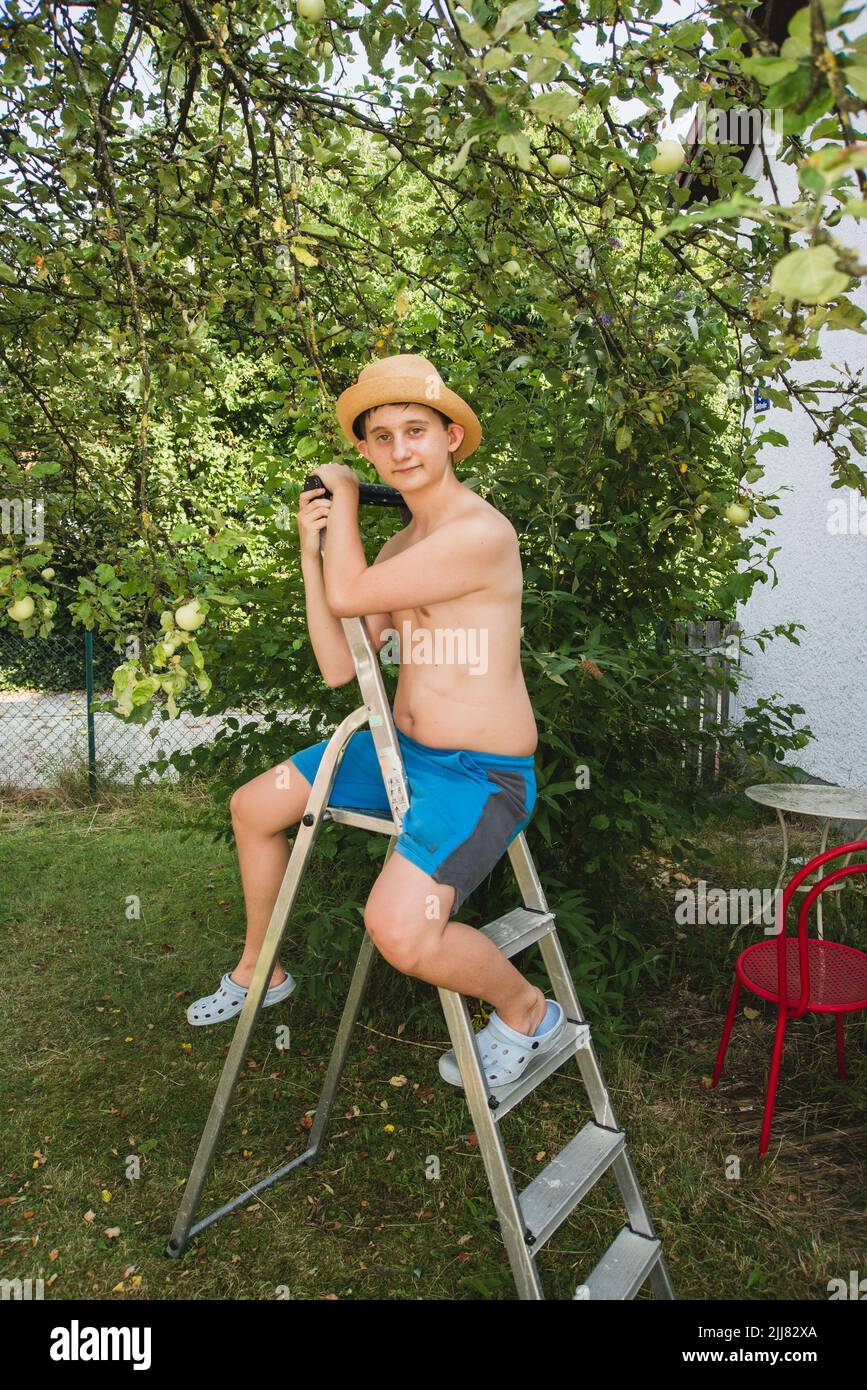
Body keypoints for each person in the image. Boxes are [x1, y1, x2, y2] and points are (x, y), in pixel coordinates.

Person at [187, 354, 565, 1089]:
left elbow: (353, 590)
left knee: (399, 931)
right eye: (381, 437)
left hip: (478, 775)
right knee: (254, 805)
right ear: (365, 450)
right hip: (402, 750)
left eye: (416, 430)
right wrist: (310, 549)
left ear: (452, 435)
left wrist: (346, 512)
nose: (400, 450)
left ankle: (527, 1012)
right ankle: (259, 970)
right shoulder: (401, 545)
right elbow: (340, 662)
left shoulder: (478, 532)